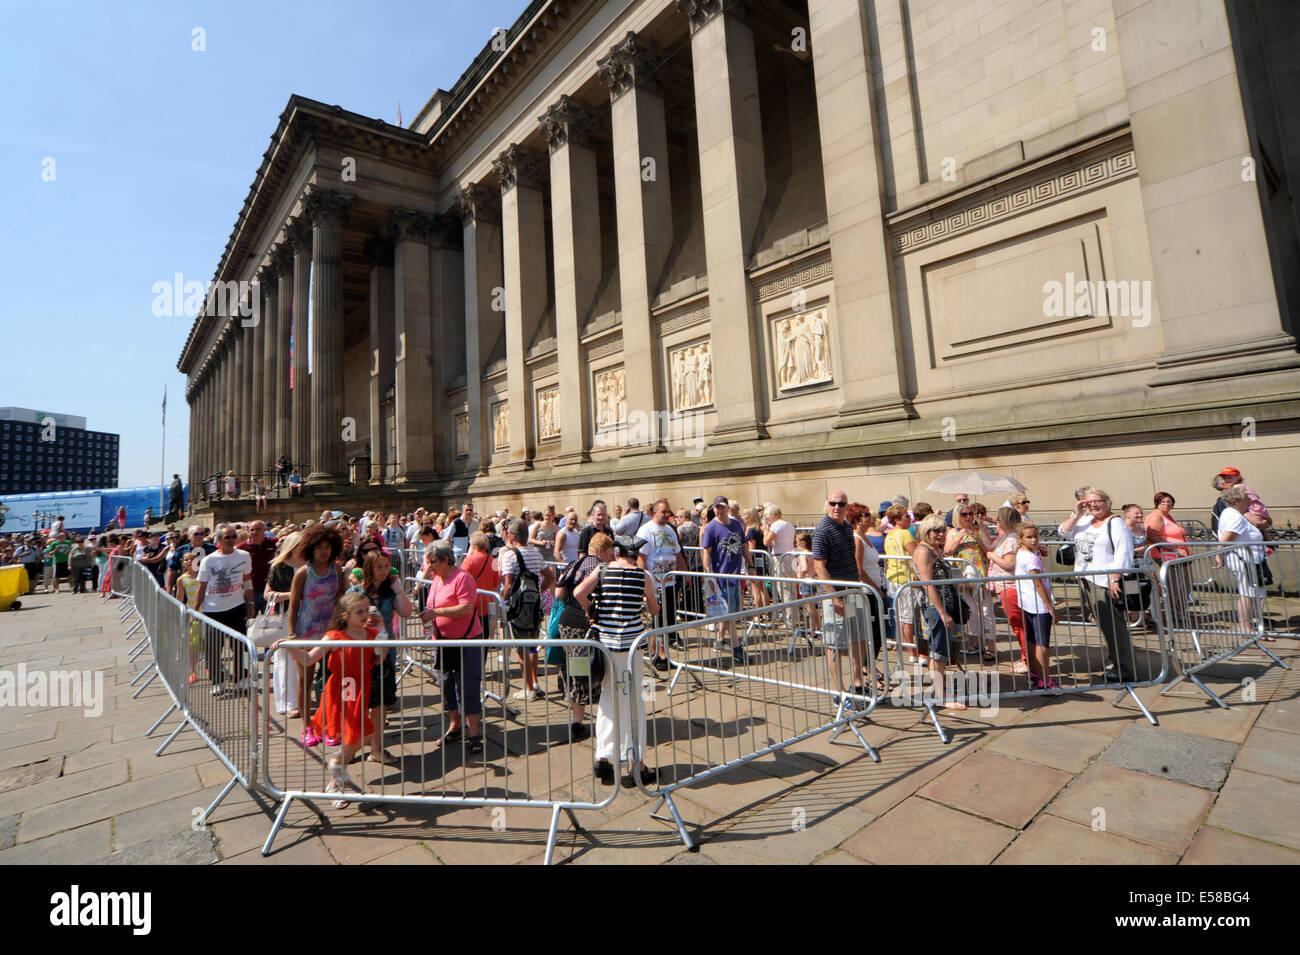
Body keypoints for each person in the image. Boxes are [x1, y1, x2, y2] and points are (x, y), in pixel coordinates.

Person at [277, 592, 381, 807]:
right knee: (356, 733)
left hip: (362, 687)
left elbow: (378, 659)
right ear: (346, 615)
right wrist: (289, 646)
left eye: (367, 610)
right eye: (359, 611)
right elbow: (308, 659)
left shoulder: (372, 634)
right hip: (345, 688)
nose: (365, 615)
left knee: (363, 734)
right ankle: (335, 776)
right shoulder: (334, 636)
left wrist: (385, 648)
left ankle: (336, 776)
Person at [573, 534, 659, 786]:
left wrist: (593, 610)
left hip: (606, 644)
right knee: (635, 703)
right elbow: (654, 609)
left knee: (608, 699)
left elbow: (578, 592)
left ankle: (605, 757)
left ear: (618, 552)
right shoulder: (642, 576)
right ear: (635, 554)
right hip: (631, 647)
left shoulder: (602, 570)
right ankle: (637, 762)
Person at [1058, 488, 1137, 682]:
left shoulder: (1116, 523)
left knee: (1113, 627)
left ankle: (1125, 669)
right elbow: (1063, 532)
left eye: (1098, 501)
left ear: (1108, 502)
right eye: (1089, 501)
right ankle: (1116, 661)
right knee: (1104, 625)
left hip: (1105, 582)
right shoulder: (1084, 521)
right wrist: (1077, 513)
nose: (1093, 504)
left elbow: (1124, 553)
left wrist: (1114, 578)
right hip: (1087, 579)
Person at [348, 549, 413, 765]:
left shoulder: (389, 591)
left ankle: (376, 748)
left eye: (387, 566)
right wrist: (362, 622)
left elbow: (406, 612)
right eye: (379, 566)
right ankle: (351, 747)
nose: (384, 570)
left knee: (381, 703)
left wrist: (398, 588)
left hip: (384, 652)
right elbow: (342, 619)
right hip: (360, 653)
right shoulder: (357, 591)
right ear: (369, 569)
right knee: (358, 702)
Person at [420, 542, 485, 755]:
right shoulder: (436, 580)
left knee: (467, 686)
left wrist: (437, 613)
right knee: (447, 685)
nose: (429, 566)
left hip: (466, 641)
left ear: (446, 560)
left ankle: (474, 732)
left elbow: (466, 608)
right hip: (443, 641)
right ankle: (455, 725)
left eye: (432, 562)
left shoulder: (462, 577)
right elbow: (430, 604)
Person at [287, 524, 347, 740]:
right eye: (320, 547)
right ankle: (308, 727)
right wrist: (292, 634)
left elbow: (342, 599)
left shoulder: (337, 571)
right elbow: (294, 606)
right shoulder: (302, 573)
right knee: (306, 680)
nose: (324, 551)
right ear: (310, 548)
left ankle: (330, 723)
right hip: (306, 632)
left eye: (328, 547)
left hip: (331, 632)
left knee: (332, 680)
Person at [553, 534, 612, 741]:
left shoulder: (574, 563)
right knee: (582, 674)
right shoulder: (599, 568)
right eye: (610, 551)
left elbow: (558, 594)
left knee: (572, 670)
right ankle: (578, 725)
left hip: (565, 622)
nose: (612, 555)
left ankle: (578, 721)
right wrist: (588, 609)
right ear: (601, 551)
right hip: (582, 626)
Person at [813, 492, 869, 706]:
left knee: (857, 637)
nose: (837, 507)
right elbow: (819, 566)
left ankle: (857, 683)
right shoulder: (822, 530)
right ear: (827, 504)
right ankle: (840, 692)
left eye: (841, 503)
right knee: (834, 644)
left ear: (847, 506)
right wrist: (834, 596)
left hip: (852, 592)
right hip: (834, 596)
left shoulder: (846, 527)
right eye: (833, 503)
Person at [192, 524, 255, 695]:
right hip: (213, 610)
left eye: (234, 536)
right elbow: (201, 587)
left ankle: (241, 678)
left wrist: (251, 602)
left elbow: (247, 580)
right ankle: (217, 681)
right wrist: (195, 610)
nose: (231, 540)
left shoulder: (244, 556)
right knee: (214, 648)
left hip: (236, 607)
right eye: (227, 537)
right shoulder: (209, 560)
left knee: (240, 646)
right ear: (218, 540)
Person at [912, 516, 967, 709]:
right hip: (934, 607)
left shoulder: (936, 550)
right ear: (926, 531)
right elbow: (928, 584)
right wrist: (942, 612)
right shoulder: (923, 551)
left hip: (944, 604)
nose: (941, 534)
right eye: (936, 530)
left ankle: (940, 690)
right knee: (937, 651)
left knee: (941, 650)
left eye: (943, 530)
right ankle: (940, 695)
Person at [500, 519, 555, 701]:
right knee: (532, 645)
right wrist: (539, 590)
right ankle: (535, 683)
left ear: (513, 536)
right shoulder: (536, 554)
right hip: (534, 604)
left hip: (518, 607)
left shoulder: (509, 556)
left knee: (521, 647)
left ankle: (529, 688)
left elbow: (508, 584)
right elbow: (550, 576)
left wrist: (503, 602)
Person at [637, 499, 685, 671]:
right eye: (664, 511)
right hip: (654, 584)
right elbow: (641, 559)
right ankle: (661, 654)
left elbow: (678, 554)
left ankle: (656, 651)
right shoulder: (645, 531)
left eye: (668, 512)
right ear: (655, 512)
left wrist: (685, 574)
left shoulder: (671, 531)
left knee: (667, 619)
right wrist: (645, 584)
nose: (667, 514)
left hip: (670, 582)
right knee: (658, 619)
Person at [1216, 486, 1269, 637]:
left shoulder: (1236, 514)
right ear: (1237, 500)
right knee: (1248, 593)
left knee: (1252, 593)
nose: (1251, 500)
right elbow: (1226, 538)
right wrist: (1219, 556)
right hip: (1243, 560)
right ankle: (1246, 626)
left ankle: (1251, 625)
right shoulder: (1233, 516)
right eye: (1247, 497)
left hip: (1250, 560)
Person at [700, 495, 747, 664]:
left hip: (735, 574)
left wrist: (750, 564)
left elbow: (743, 545)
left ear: (727, 508)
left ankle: (720, 640)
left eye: (722, 507)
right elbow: (706, 551)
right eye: (716, 507)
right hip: (721, 575)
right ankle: (735, 645)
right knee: (731, 613)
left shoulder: (735, 524)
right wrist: (709, 573)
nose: (719, 510)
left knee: (731, 611)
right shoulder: (711, 527)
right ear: (713, 509)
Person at [945, 501, 995, 659]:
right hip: (964, 577)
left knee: (987, 610)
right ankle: (975, 642)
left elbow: (990, 549)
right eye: (964, 514)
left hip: (983, 574)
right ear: (957, 517)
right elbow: (947, 551)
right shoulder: (953, 532)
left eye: (970, 514)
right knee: (972, 610)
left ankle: (991, 647)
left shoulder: (979, 529)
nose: (968, 517)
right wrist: (959, 537)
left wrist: (978, 538)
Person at [1014, 523, 1058, 689]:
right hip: (1038, 605)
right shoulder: (1031, 558)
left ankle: (1034, 672)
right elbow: (1038, 584)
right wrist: (1050, 607)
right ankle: (1045, 679)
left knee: (1032, 640)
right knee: (1042, 644)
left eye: (1036, 536)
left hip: (1026, 602)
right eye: (1029, 537)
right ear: (1021, 539)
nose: (1033, 540)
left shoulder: (1023, 553)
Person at [849, 503, 888, 691]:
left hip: (875, 589)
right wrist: (876, 589)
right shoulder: (857, 539)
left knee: (877, 634)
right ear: (857, 519)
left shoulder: (866, 537)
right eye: (865, 515)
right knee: (871, 634)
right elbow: (858, 570)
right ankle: (868, 670)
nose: (870, 517)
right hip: (866, 593)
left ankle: (869, 666)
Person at [987, 507, 1029, 674]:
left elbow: (1009, 564)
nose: (996, 522)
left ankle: (1028, 660)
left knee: (1019, 625)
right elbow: (990, 545)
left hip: (1010, 586)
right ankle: (1026, 657)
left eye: (998, 519)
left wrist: (992, 556)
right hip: (1003, 586)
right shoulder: (1004, 536)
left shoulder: (1011, 540)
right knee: (1017, 624)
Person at [461, 533, 501, 639]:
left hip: (472, 603)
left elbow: (462, 581)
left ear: (473, 546)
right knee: (485, 635)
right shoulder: (493, 561)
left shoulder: (468, 560)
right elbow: (496, 582)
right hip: (488, 602)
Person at [175, 550, 204, 684]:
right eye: (186, 559)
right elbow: (180, 599)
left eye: (192, 559)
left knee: (210, 643)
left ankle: (211, 666)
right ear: (183, 563)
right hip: (193, 614)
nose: (189, 562)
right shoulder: (181, 579)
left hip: (208, 612)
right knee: (193, 646)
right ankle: (193, 672)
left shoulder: (203, 575)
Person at [237, 520, 278, 613]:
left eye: (258, 529)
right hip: (251, 591)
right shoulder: (242, 548)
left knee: (269, 621)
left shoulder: (274, 543)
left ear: (264, 530)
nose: (254, 532)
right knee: (249, 620)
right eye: (252, 530)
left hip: (269, 589)